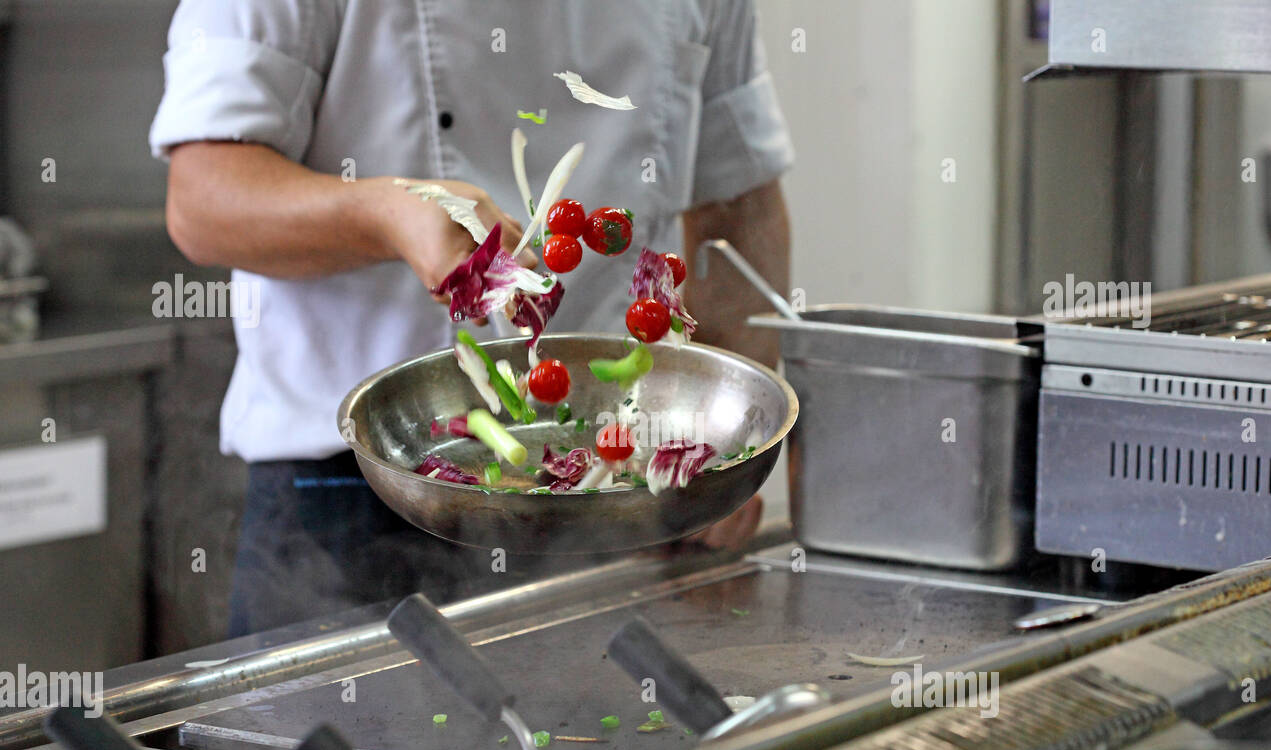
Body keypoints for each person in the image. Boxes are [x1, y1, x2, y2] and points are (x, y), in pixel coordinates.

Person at [150, 0, 794, 637]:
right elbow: (204, 198)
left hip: (614, 490)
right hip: (350, 500)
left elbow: (738, 206)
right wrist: (392, 213)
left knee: (618, 733)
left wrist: (718, 456)